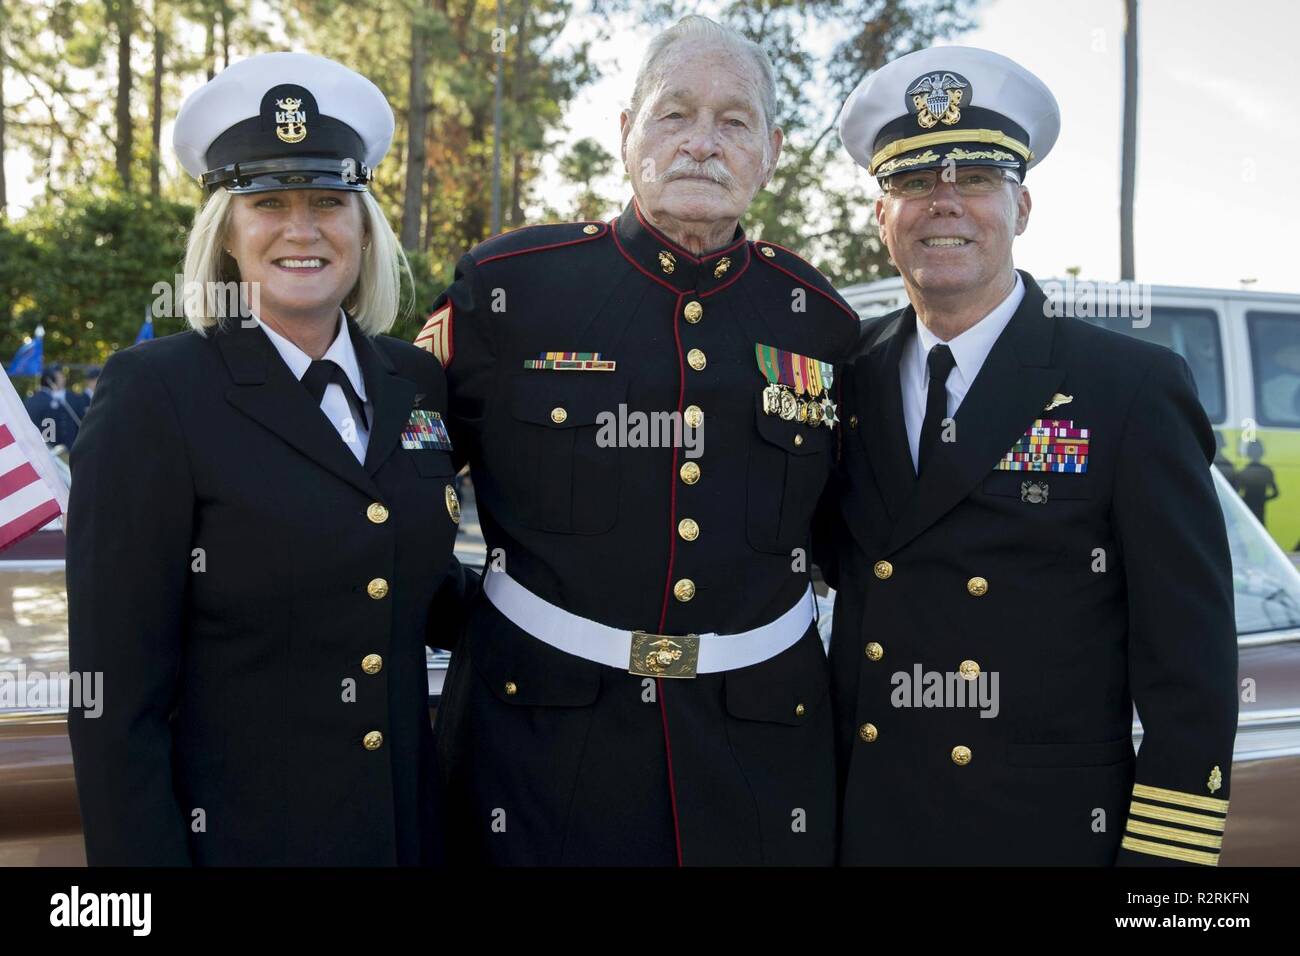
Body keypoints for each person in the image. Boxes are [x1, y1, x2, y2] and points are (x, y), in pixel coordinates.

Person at [421, 15, 858, 865]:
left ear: (770, 150)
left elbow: (860, 536)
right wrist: (461, 617)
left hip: (759, 765)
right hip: (538, 759)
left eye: (735, 121)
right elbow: (394, 487)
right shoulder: (511, 293)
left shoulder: (820, 323)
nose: (703, 143)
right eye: (674, 114)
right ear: (626, 135)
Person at [824, 45, 1238, 865]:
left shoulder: (1128, 387)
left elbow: (1192, 675)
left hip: (1043, 836)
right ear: (881, 217)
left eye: (974, 178)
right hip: (871, 828)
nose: (945, 204)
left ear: (1022, 206)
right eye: (912, 182)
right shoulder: (844, 378)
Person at [67, 52, 470, 866]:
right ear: (228, 234)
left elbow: (426, 591)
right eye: (269, 203)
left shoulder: (415, 383)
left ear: (363, 226)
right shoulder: (156, 394)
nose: (302, 227)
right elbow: (115, 702)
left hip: (406, 838)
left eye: (329, 200)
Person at [24, 365, 82, 448]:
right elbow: (53, 434)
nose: (63, 379)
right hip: (51, 450)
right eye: (59, 377)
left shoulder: (29, 401)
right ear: (50, 380)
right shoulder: (53, 403)